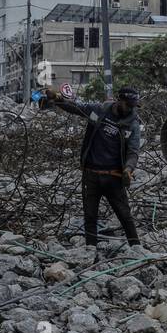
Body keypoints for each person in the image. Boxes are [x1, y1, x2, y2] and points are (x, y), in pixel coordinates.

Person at [44, 84, 142, 251]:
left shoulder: (132, 123)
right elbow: (77, 108)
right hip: (91, 175)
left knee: (125, 215)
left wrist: (128, 169)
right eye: (128, 105)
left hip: (114, 177)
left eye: (133, 106)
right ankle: (90, 251)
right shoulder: (99, 110)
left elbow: (133, 151)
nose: (130, 109)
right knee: (90, 216)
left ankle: (137, 249)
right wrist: (58, 99)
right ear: (119, 100)